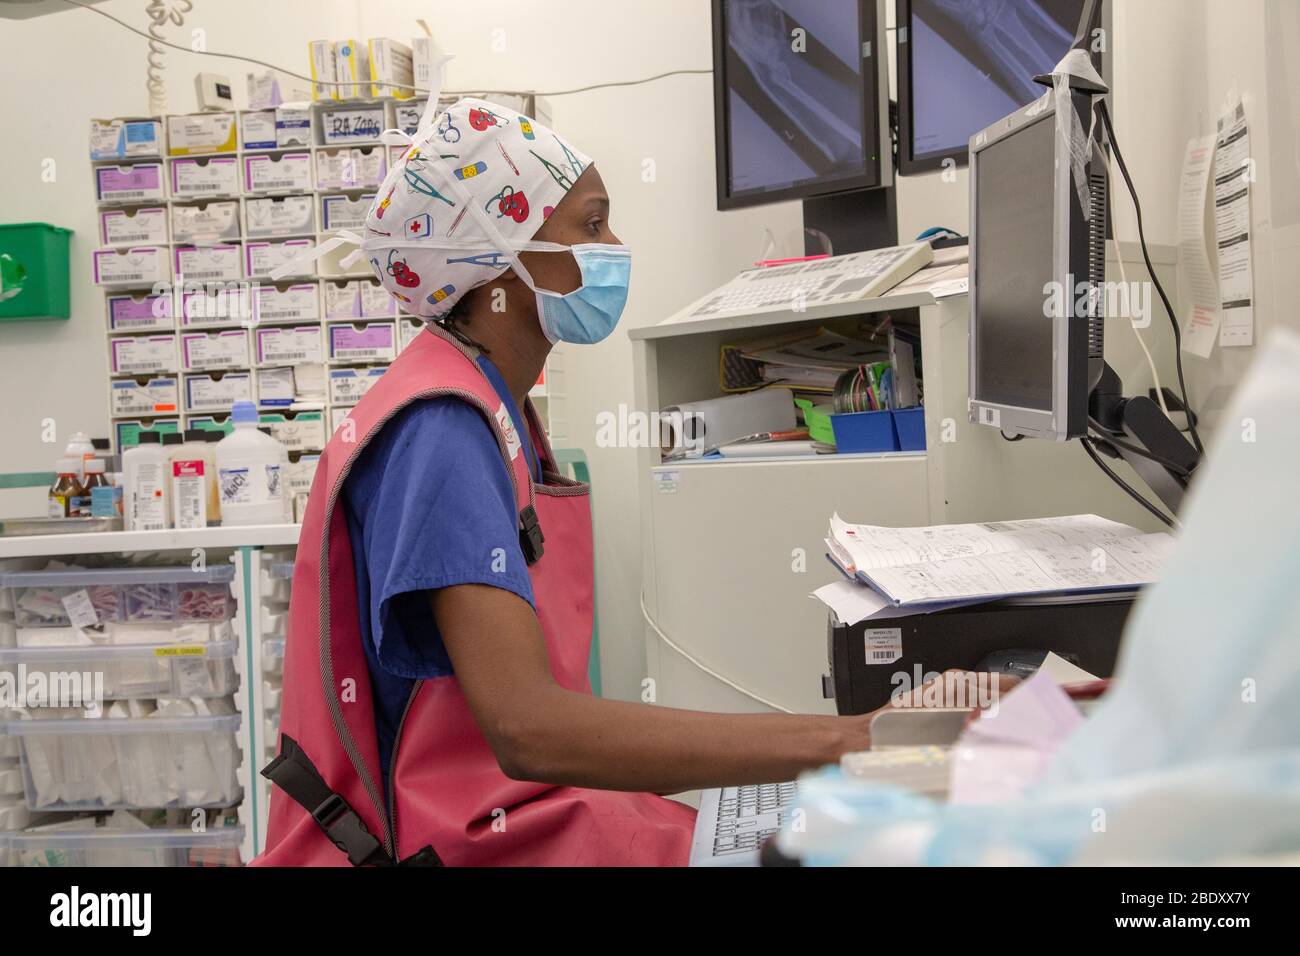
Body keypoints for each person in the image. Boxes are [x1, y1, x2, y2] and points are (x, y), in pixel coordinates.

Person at [255, 99, 1006, 867]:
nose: (615, 248)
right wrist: (857, 738)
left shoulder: (489, 407)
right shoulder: (441, 431)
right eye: (590, 226)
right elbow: (529, 731)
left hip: (517, 815)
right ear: (500, 258)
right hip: (452, 843)